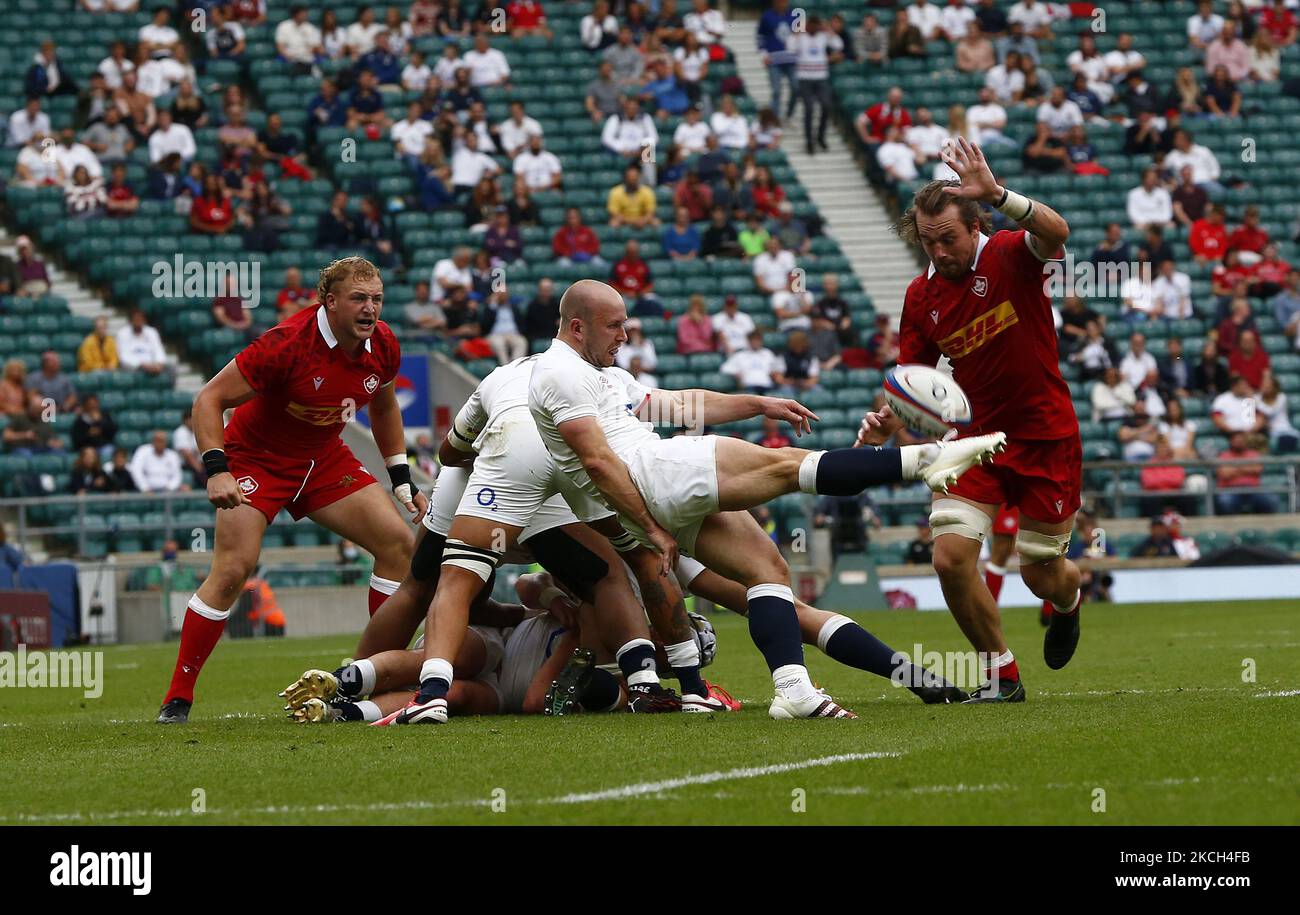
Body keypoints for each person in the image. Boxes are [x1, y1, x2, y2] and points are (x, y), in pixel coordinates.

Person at [433, 279, 1003, 726]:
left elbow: (676, 403)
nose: (626, 336)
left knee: (768, 572)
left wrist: (756, 402)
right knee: (788, 469)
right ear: (577, 327)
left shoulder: (598, 372)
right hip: (649, 479)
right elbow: (599, 464)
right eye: (615, 327)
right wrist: (647, 530)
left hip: (647, 499)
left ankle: (796, 689)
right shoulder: (558, 374)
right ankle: (927, 461)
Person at [155, 258, 427, 725]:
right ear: (330, 302)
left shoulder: (382, 343)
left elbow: (384, 407)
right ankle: (177, 697)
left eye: (377, 298)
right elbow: (208, 399)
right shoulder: (286, 344)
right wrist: (216, 469)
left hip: (322, 456)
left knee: (399, 545)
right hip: (256, 458)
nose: (371, 308)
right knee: (234, 570)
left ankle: (372, 674)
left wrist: (401, 476)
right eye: (359, 299)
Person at [859, 139, 1082, 703]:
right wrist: (887, 420)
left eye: (948, 238)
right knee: (950, 557)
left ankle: (1068, 602)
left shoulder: (1009, 254)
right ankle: (1001, 675)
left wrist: (1003, 194)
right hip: (975, 440)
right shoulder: (921, 296)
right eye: (928, 241)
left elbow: (1057, 234)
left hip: (1045, 434)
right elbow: (913, 379)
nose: (938, 251)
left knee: (1040, 574)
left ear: (975, 225)